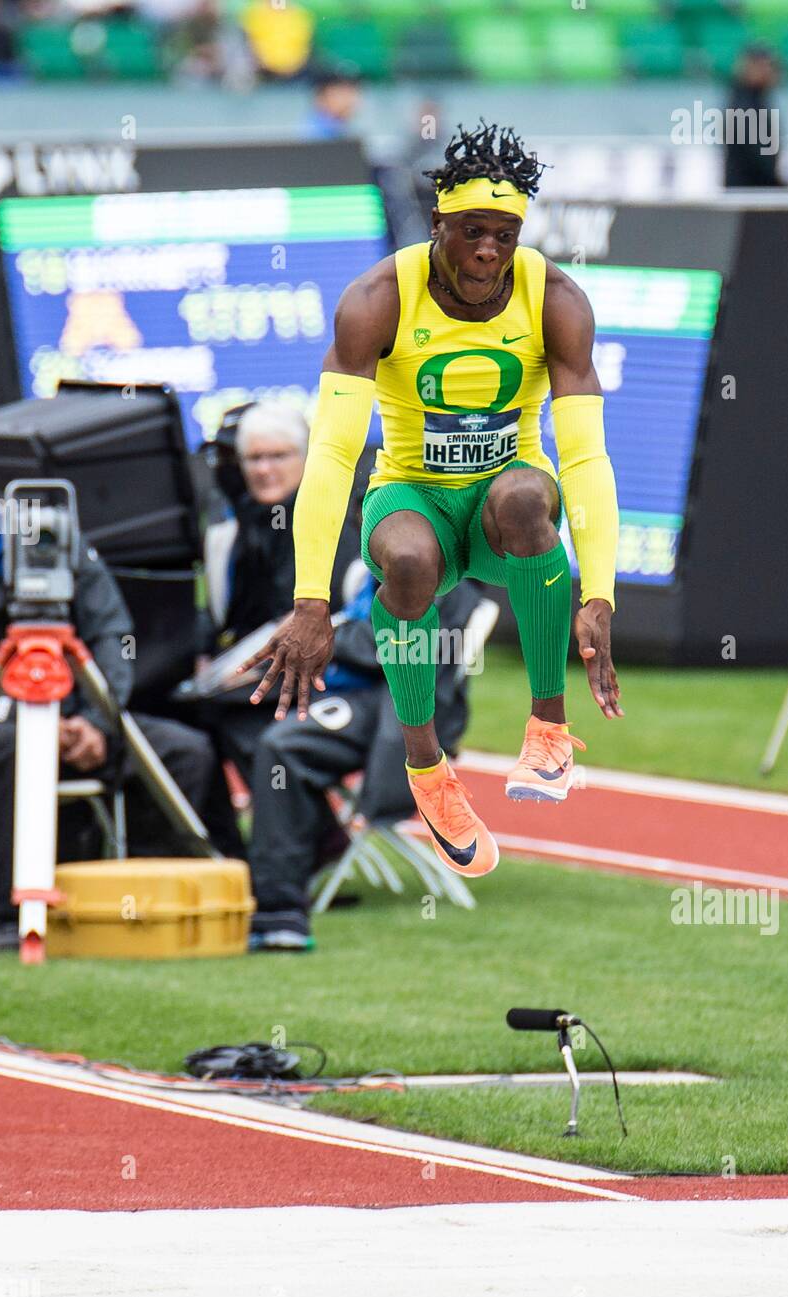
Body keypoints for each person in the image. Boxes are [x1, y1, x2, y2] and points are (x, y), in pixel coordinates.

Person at [237, 120, 623, 883]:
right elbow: (334, 454)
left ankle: (548, 729)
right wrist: (310, 601)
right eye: (472, 232)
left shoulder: (558, 300)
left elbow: (583, 457)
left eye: (504, 235)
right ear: (436, 223)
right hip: (412, 496)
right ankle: (426, 770)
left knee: (520, 494)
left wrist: (600, 594)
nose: (488, 252)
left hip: (502, 506)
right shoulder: (377, 299)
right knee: (408, 561)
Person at [0, 422, 243, 949]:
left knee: (183, 751)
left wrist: (97, 721)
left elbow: (110, 634)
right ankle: (11, 918)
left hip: (80, 716)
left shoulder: (50, 536)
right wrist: (29, 722)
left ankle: (142, 900)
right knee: (6, 753)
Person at [246, 575, 483, 951]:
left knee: (281, 746)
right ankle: (295, 850)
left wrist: (323, 637)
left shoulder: (437, 574)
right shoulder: (377, 563)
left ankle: (280, 910)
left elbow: (391, 645)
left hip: (395, 708)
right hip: (359, 693)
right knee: (238, 720)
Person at [194, 401, 359, 782]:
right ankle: (219, 838)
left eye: (277, 456)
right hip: (259, 671)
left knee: (242, 726)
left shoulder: (337, 521)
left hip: (327, 676)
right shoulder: (238, 528)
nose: (264, 469)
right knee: (185, 713)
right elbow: (227, 615)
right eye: (253, 459)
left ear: (305, 457)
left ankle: (308, 838)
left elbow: (345, 620)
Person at [724, 44, 786, 191]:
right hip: (749, 195)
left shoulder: (754, 102)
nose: (771, 72)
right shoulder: (744, 108)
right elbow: (758, 162)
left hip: (749, 192)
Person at [303, 70, 361, 141]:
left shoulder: (342, 128)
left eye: (351, 93)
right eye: (342, 94)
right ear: (321, 98)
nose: (350, 101)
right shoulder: (309, 135)